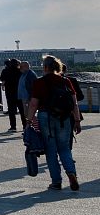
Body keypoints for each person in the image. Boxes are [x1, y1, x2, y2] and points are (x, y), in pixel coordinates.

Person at [27, 55, 82, 191]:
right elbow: (74, 102)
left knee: (51, 151)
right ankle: (71, 173)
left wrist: (29, 120)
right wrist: (77, 120)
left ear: (45, 67)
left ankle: (56, 182)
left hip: (46, 117)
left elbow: (34, 104)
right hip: (64, 117)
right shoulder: (65, 81)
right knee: (64, 148)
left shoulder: (39, 82)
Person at [0, 59, 23, 133]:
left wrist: (3, 86)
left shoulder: (5, 71)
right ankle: (25, 125)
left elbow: (3, 81)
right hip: (19, 92)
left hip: (9, 92)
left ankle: (13, 126)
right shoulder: (20, 71)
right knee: (22, 110)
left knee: (11, 110)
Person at [17, 61, 38, 129]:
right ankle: (30, 128)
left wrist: (30, 98)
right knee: (26, 114)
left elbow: (33, 87)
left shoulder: (30, 75)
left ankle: (34, 127)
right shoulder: (23, 74)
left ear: (26, 67)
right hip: (24, 98)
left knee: (29, 114)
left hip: (28, 98)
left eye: (21, 67)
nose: (20, 69)